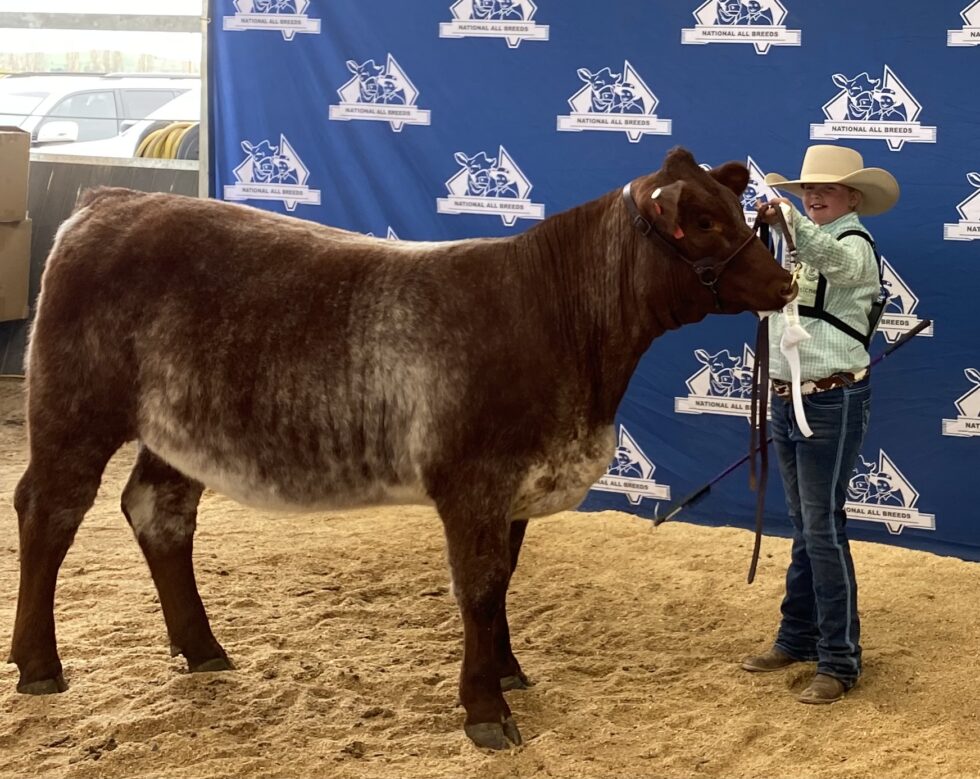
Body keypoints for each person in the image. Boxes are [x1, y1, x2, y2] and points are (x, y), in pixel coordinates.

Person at [741, 145, 900, 704]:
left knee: (823, 528)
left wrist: (789, 226)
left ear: (852, 198)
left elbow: (843, 268)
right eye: (806, 190)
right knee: (806, 526)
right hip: (788, 398)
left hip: (832, 401)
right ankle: (798, 636)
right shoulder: (799, 245)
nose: (812, 197)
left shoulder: (854, 243)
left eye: (824, 190)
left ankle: (839, 660)